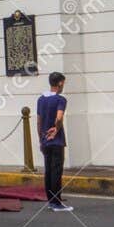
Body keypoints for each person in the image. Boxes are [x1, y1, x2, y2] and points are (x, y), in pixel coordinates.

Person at [34, 71, 72, 212]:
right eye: (63, 83)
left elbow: (38, 121)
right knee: (56, 171)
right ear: (60, 83)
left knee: (48, 171)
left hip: (45, 140)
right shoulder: (61, 100)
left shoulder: (41, 99)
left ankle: (51, 200)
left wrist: (41, 139)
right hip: (56, 141)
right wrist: (56, 129)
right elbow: (59, 117)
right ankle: (56, 202)